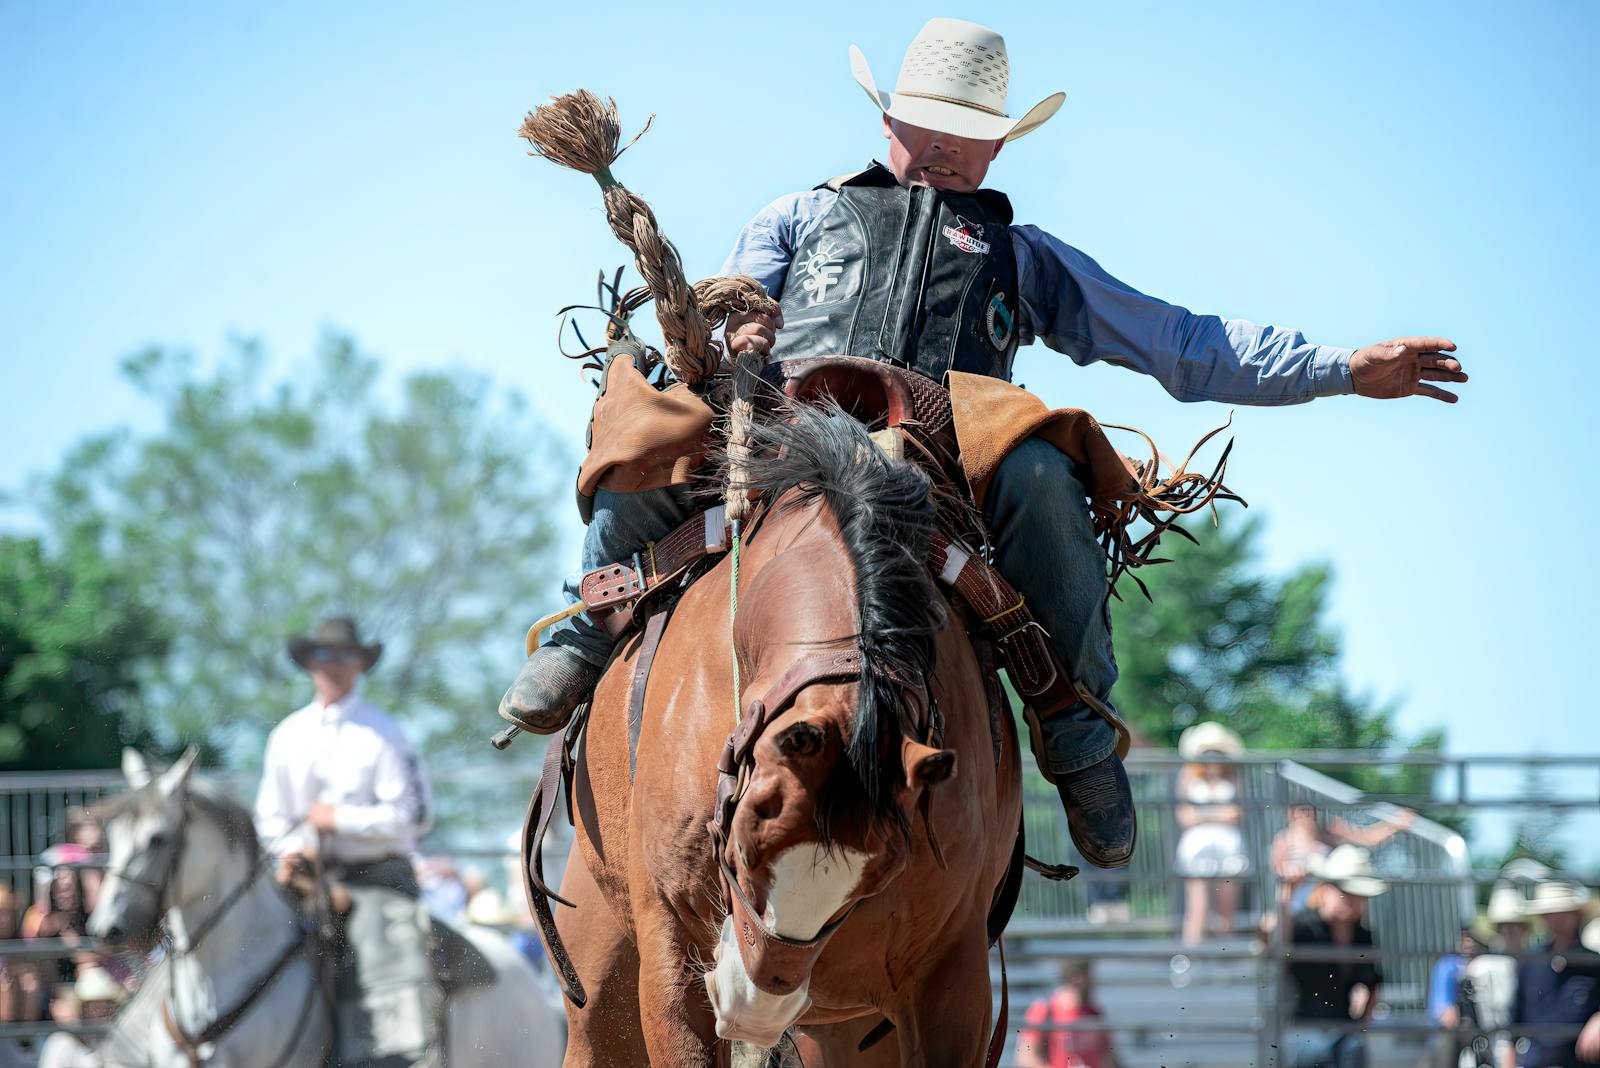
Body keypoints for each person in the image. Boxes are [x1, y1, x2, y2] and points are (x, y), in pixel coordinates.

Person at [498, 16, 1468, 873]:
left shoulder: (1023, 255)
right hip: (786, 425)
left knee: (1044, 466)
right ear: (889, 121)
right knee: (650, 418)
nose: (945, 149)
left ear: (998, 146)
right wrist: (734, 332)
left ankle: (1076, 724)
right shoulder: (796, 215)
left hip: (945, 445)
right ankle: (593, 621)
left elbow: (1179, 341)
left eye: (967, 134)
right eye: (928, 126)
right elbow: (722, 310)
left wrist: (1341, 368)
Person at [254, 616, 440, 1068]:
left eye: (345, 655)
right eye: (324, 655)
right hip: (305, 878)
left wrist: (337, 819)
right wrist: (291, 850)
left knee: (388, 959)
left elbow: (413, 818)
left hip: (378, 879)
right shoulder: (287, 735)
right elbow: (270, 817)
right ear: (309, 663)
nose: (334, 664)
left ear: (360, 664)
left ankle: (401, 1057)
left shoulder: (385, 733)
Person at [1286, 846, 1388, 1068]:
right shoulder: (1303, 927)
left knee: (1353, 1048)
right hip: (1302, 1028)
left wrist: (1359, 1025)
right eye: (1346, 892)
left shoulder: (1363, 936)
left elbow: (1374, 983)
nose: (1352, 900)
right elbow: (1270, 936)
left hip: (1343, 1030)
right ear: (1325, 890)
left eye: (1358, 895)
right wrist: (1287, 894)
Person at [1502, 881, 1600, 1068]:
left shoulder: (1593, 963)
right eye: (1550, 913)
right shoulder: (1530, 962)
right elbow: (1514, 1020)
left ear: (1576, 914)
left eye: (1563, 912)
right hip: (1537, 1061)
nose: (1556, 919)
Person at [1173, 722, 1248, 945]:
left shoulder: (1233, 777)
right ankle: (1191, 957)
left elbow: (1236, 814)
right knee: (1197, 907)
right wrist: (1218, 814)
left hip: (1229, 846)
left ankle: (1225, 958)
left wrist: (1204, 815)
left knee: (1227, 910)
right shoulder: (1188, 776)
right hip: (1196, 846)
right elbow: (1185, 816)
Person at [1273, 802, 1416, 917]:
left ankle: (1343, 944)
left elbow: (1366, 837)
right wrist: (1295, 873)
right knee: (1333, 899)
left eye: (1309, 811)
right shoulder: (1284, 840)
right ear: (1291, 815)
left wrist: (1394, 823)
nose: (1306, 816)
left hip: (1331, 885)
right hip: (1299, 889)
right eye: (1301, 812)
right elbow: (1277, 870)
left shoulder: (1329, 833)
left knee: (1344, 900)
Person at [1016, 959, 1119, 1068]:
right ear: (1076, 978)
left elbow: (1109, 1057)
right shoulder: (1044, 1011)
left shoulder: (1094, 1013)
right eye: (1087, 976)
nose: (1091, 982)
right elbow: (1026, 1059)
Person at [36, 966, 124, 1068]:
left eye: (106, 1004)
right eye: (93, 1005)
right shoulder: (62, 1042)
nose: (100, 1011)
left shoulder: (111, 1039)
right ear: (82, 1008)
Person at [1427, 928, 1485, 1068]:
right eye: (1465, 939)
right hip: (1452, 1031)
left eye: (1473, 940)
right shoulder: (1448, 965)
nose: (1469, 944)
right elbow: (1445, 1012)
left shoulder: (1482, 965)